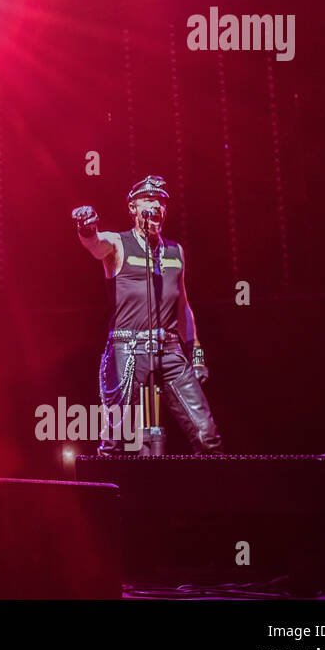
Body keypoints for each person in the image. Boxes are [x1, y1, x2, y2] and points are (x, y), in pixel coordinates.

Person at [71, 175, 223, 455]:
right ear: (132, 207)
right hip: (127, 351)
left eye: (162, 202)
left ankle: (214, 497)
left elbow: (184, 308)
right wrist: (86, 227)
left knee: (207, 436)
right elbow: (95, 244)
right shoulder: (119, 244)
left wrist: (197, 357)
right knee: (115, 443)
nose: (157, 206)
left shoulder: (176, 252)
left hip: (171, 353)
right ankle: (111, 496)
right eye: (149, 201)